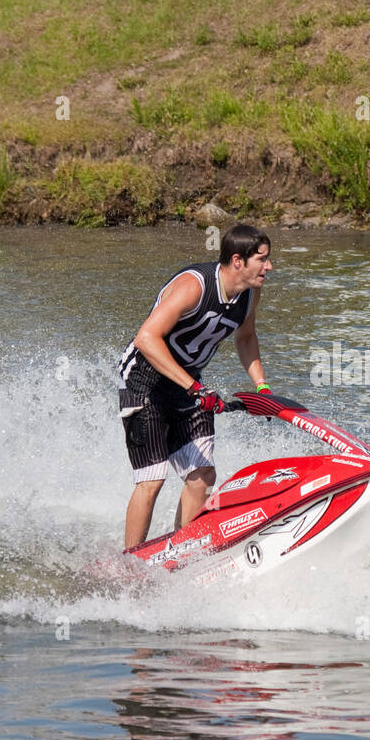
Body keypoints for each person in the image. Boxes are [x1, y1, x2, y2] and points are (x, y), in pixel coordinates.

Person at [117, 225, 273, 548]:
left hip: (188, 385)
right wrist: (195, 387)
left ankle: (181, 551)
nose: (269, 267)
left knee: (202, 475)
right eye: (262, 259)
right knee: (152, 479)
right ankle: (128, 562)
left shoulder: (249, 295)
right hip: (144, 380)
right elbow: (146, 338)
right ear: (238, 261)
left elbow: (245, 338)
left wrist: (262, 387)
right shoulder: (195, 286)